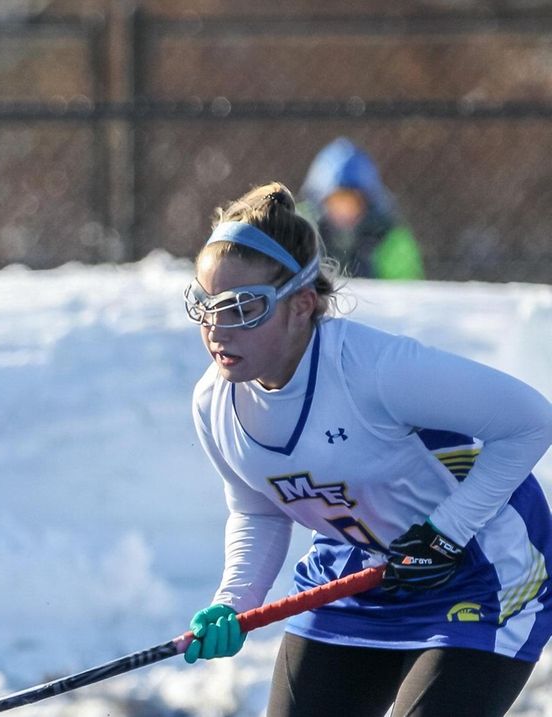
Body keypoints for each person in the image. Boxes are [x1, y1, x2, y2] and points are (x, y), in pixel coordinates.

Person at [180, 181, 552, 716]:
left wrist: (447, 532)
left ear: (302, 305)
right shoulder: (213, 403)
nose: (217, 328)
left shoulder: (376, 370)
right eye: (205, 304)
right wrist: (232, 602)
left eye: (242, 307)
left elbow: (531, 422)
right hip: (358, 574)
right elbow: (258, 510)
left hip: (483, 569)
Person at [299, 137, 425, 280]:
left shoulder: (388, 239)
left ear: (367, 203)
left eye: (352, 201)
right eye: (337, 200)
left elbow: (407, 292)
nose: (344, 211)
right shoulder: (300, 233)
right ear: (320, 201)